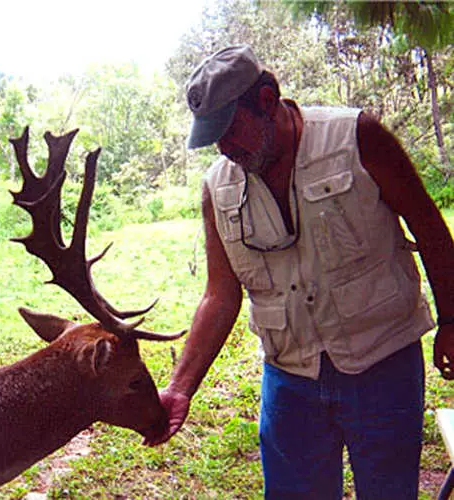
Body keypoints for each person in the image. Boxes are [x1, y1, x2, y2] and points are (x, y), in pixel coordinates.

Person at [145, 45, 454, 498]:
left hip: (383, 361)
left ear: (267, 101)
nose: (224, 148)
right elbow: (220, 294)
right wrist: (180, 388)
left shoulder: (357, 137)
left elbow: (429, 229)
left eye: (230, 130)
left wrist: (452, 321)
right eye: (214, 139)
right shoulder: (219, 187)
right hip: (290, 378)